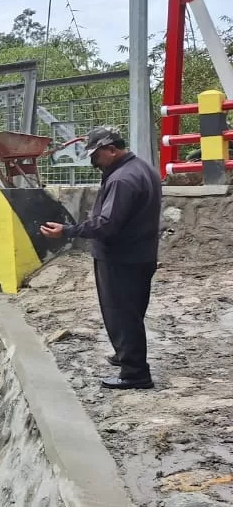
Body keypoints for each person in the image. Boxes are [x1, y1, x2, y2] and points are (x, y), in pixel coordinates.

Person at [39, 126, 161, 390]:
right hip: (141, 254)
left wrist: (68, 231)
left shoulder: (121, 179)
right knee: (132, 310)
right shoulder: (143, 168)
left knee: (121, 314)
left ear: (111, 150)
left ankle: (135, 374)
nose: (93, 163)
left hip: (120, 257)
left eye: (95, 157)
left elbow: (106, 224)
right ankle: (125, 354)